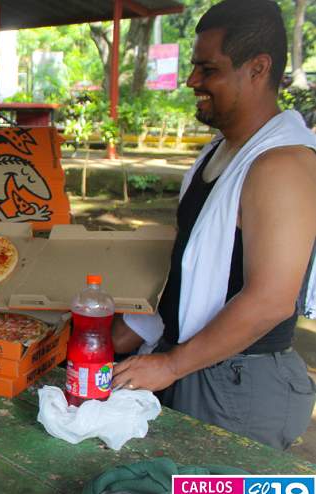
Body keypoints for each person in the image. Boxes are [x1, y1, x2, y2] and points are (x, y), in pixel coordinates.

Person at [111, 0, 316, 450]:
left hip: (239, 384)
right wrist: (140, 329)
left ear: (258, 68)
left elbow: (271, 301)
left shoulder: (281, 165)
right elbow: (190, 267)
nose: (192, 81)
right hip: (197, 363)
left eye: (208, 69)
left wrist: (169, 365)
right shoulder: (220, 152)